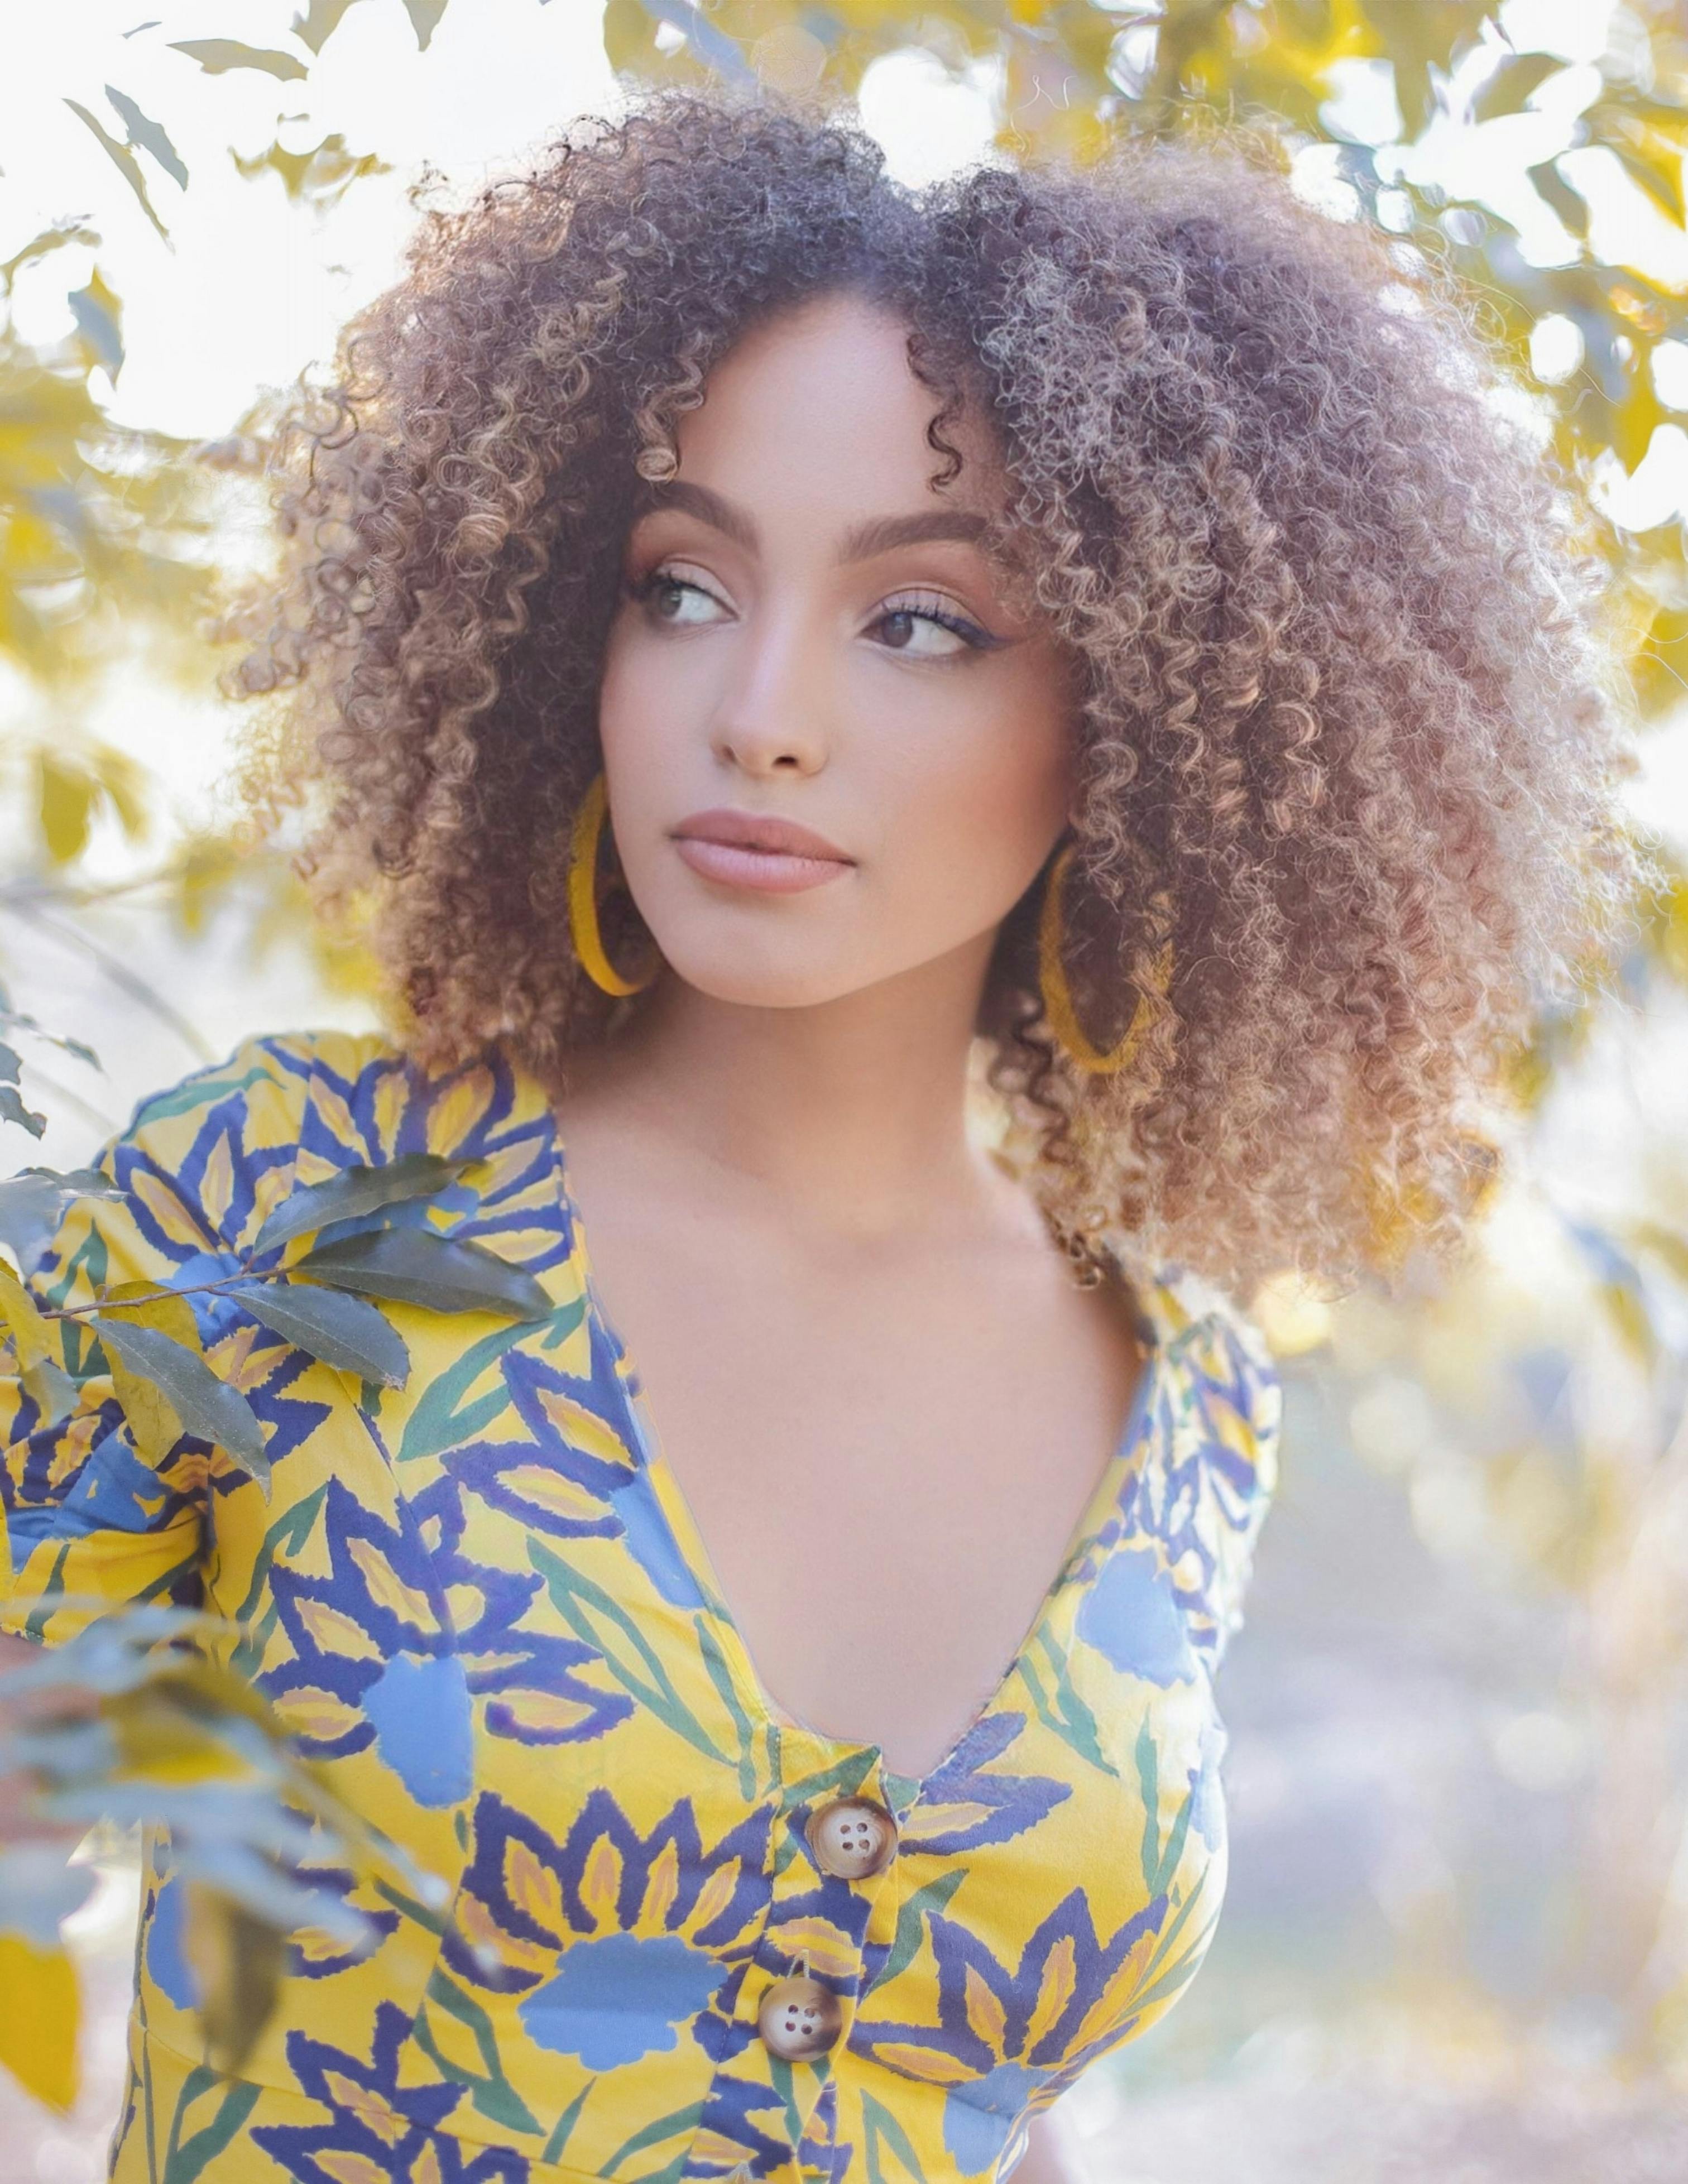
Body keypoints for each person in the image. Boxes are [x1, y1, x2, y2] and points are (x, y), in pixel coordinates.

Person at [0, 86, 1635, 2184]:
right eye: (680, 583)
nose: (760, 703)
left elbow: (973, 2092)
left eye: (922, 619)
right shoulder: (285, 1220)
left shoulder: (1186, 1402)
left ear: (1146, 711)